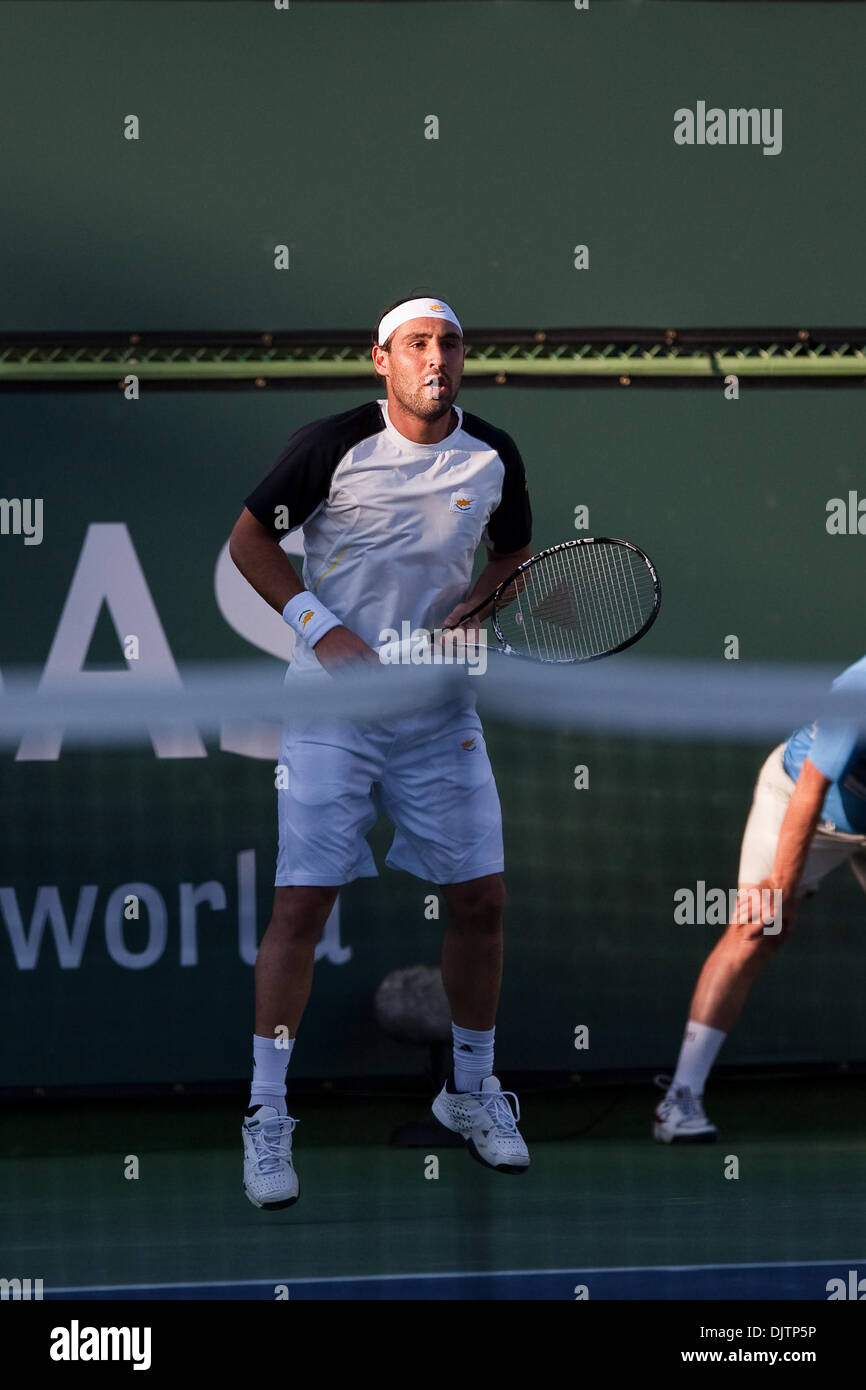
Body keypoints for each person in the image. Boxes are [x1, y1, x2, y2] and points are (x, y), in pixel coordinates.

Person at [228, 294, 534, 1207]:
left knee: (482, 900)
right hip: (333, 709)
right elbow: (249, 542)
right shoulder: (331, 445)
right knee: (301, 907)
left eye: (449, 344)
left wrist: (472, 612)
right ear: (383, 361)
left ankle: (470, 1091)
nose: (436, 358)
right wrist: (322, 630)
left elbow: (512, 556)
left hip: (437, 709)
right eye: (417, 344)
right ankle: (267, 1113)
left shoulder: (493, 455)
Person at [654, 655, 866, 1143]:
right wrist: (782, 890)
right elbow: (811, 788)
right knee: (757, 930)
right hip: (797, 799)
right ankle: (679, 1099)